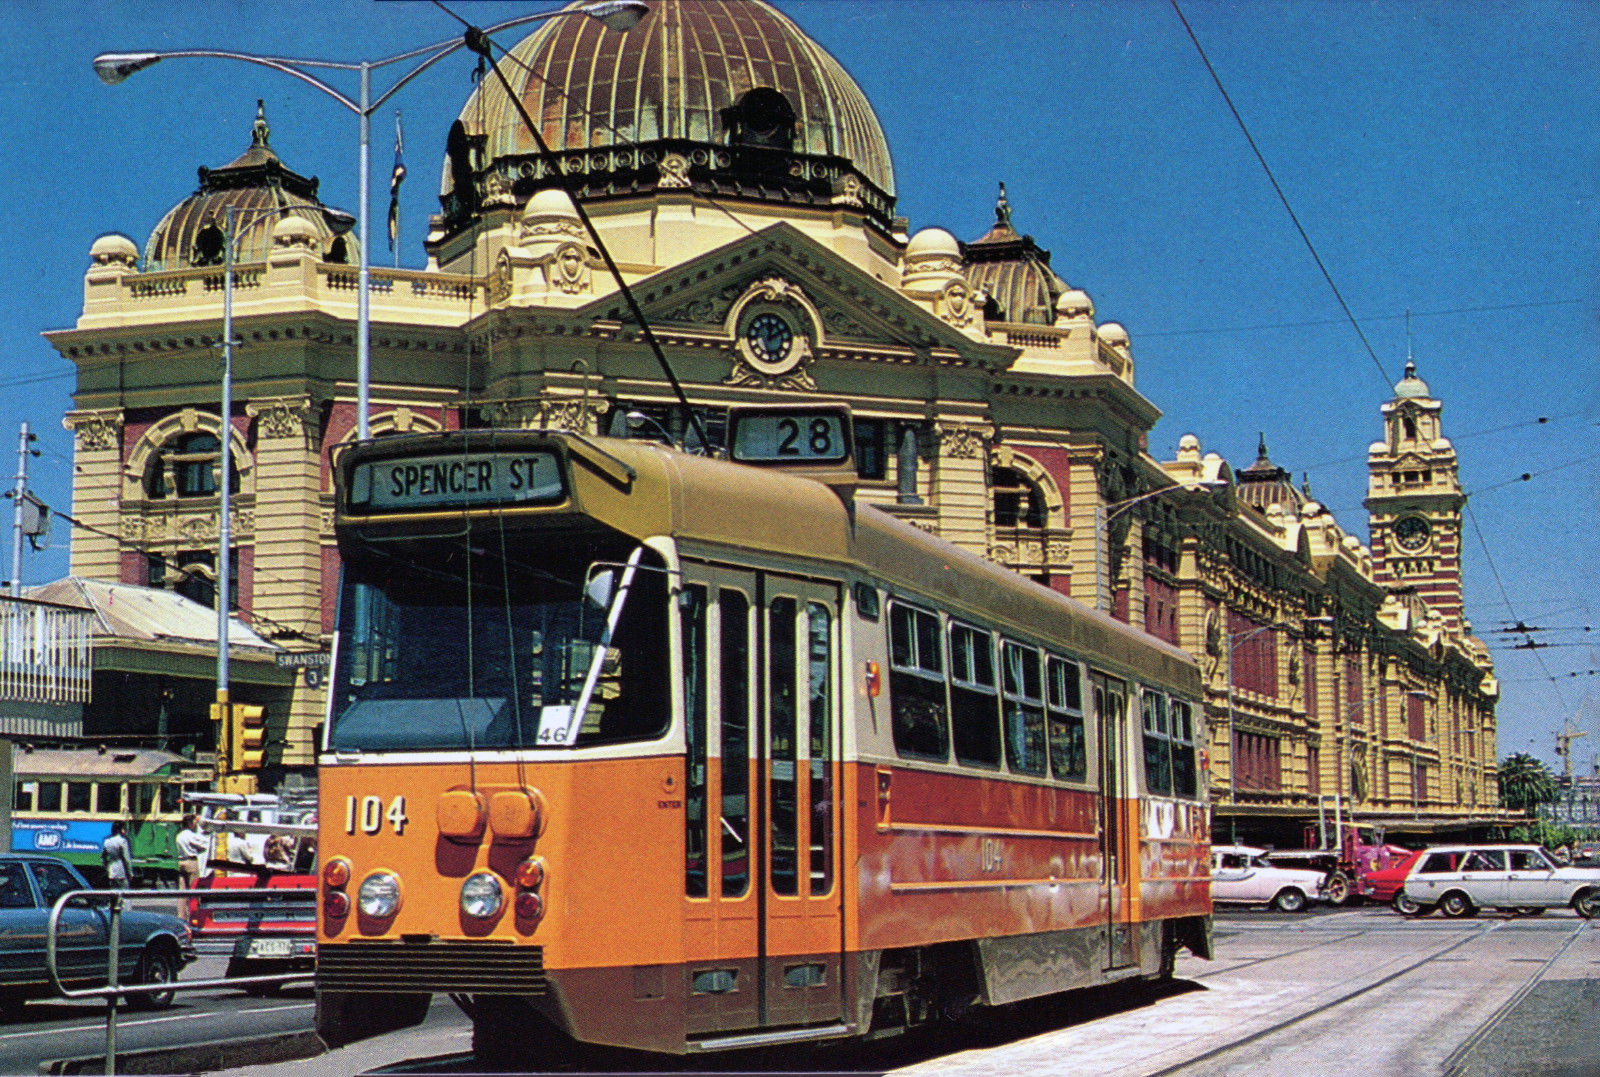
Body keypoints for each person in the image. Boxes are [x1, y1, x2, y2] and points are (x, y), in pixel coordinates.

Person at [175, 814, 207, 888]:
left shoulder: (179, 835)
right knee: (194, 886)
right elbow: (204, 846)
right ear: (190, 824)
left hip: (181, 861)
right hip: (191, 862)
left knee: (182, 887)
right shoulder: (190, 835)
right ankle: (194, 900)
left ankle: (182, 899)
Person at [101, 821, 134, 889]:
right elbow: (126, 859)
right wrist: (130, 873)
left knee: (113, 893)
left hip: (112, 871)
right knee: (124, 893)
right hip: (121, 872)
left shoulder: (107, 841)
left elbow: (103, 857)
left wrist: (107, 867)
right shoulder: (123, 841)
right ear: (120, 830)